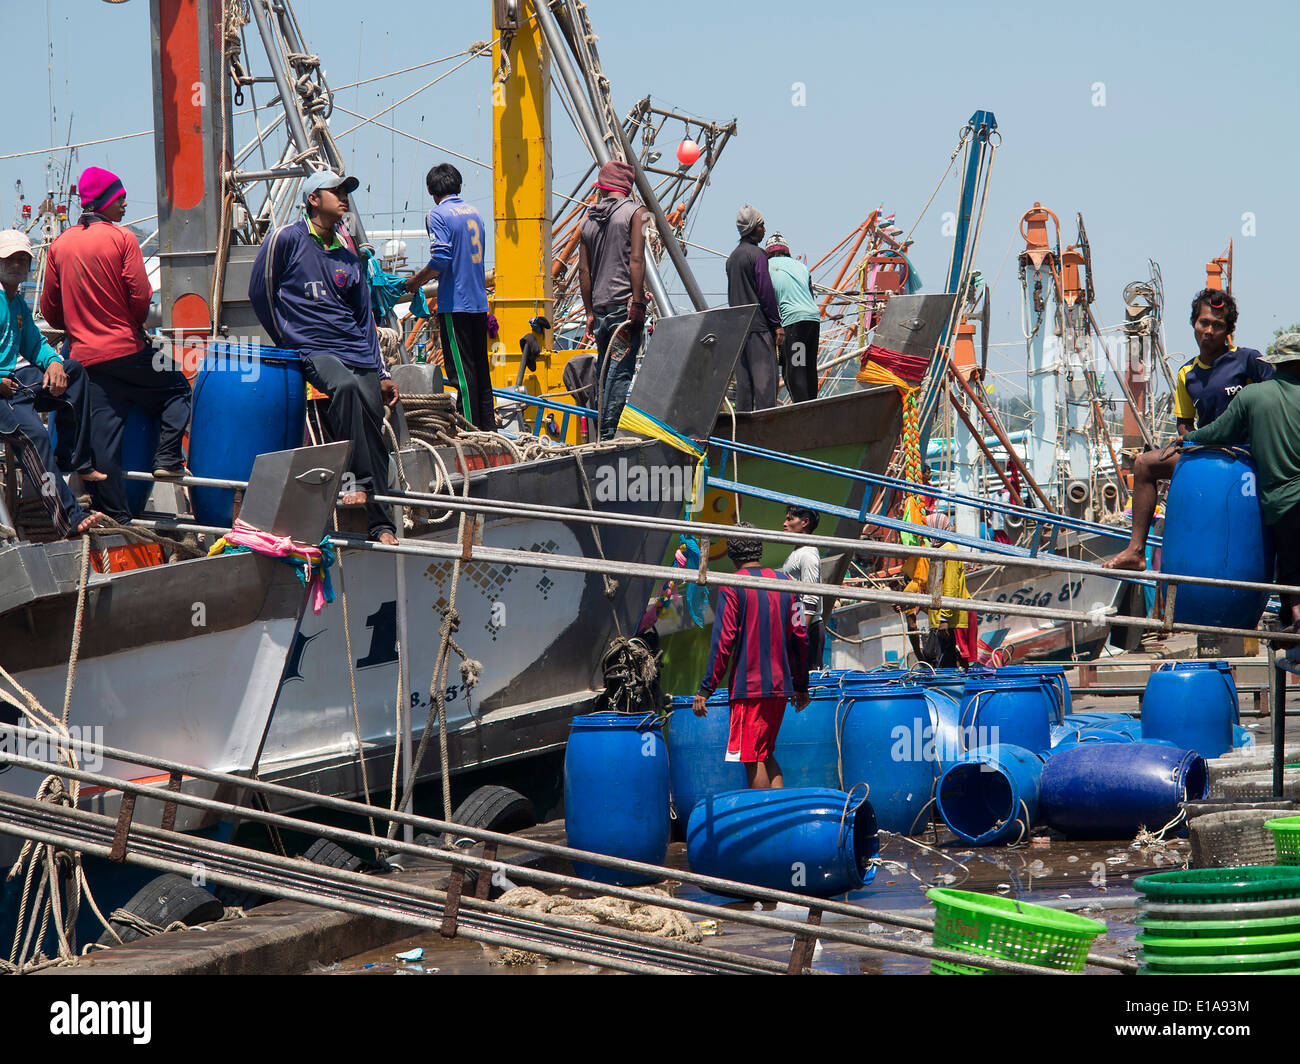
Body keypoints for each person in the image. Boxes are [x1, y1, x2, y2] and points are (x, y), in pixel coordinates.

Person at [249, 168, 399, 545]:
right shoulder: (286, 239)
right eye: (336, 191)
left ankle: (382, 526)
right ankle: (352, 482)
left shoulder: (348, 257)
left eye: (346, 191)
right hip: (312, 347)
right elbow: (260, 292)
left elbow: (364, 319)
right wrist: (286, 338)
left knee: (373, 421)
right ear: (313, 199)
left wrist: (381, 372)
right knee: (345, 388)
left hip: (355, 349)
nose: (344, 197)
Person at [40, 166, 192, 524]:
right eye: (120, 198)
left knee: (103, 442)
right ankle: (168, 461)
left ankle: (117, 517)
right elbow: (140, 298)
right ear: (106, 200)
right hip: (127, 351)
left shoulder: (60, 245)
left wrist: (77, 324)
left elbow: (49, 309)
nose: (125, 204)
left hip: (84, 360)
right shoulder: (121, 239)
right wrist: (124, 322)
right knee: (177, 389)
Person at [1105, 289, 1272, 571]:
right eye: (1203, 322)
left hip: (1245, 456)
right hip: (1205, 454)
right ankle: (1135, 551)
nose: (1209, 331)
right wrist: (1186, 437)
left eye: (1218, 326)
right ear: (1194, 323)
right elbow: (1185, 422)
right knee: (1145, 464)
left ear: (1228, 330)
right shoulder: (1187, 373)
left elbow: (1279, 393)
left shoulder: (1247, 361)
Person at [1180, 333, 1300, 652]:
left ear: (1279, 364)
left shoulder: (1252, 395)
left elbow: (1219, 431)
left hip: (1284, 501)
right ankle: (1291, 626)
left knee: (1289, 565)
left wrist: (1187, 438)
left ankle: (1295, 625)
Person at [0, 230, 102, 537]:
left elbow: (35, 345)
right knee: (36, 437)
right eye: (10, 259)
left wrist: (54, 363)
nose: (17, 265)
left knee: (73, 372)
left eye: (23, 260)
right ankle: (69, 519)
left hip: (15, 385)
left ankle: (73, 459)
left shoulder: (15, 303)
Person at [693, 522, 810, 789]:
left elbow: (723, 642)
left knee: (752, 756)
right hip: (781, 688)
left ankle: (766, 824)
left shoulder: (733, 586)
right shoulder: (787, 583)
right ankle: (779, 819)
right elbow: (801, 636)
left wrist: (706, 688)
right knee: (766, 754)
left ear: (732, 553)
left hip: (750, 689)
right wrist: (801, 684)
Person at [405, 163, 494, 431]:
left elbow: (441, 258)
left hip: (455, 303)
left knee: (461, 375)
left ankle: (469, 431)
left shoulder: (438, 214)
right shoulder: (474, 213)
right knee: (480, 371)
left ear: (430, 190)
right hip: (478, 302)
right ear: (459, 185)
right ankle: (489, 428)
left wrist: (416, 281)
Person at [577, 160, 648, 440]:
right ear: (627, 187)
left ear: (602, 188)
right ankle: (608, 438)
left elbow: (584, 271)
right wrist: (639, 301)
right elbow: (637, 259)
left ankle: (600, 435)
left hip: (601, 310)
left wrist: (590, 312)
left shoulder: (587, 222)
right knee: (619, 373)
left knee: (604, 375)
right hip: (624, 310)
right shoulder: (637, 213)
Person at [897, 513, 976, 668]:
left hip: (951, 620)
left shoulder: (949, 552)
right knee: (943, 661)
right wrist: (904, 601)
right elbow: (927, 585)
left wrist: (944, 620)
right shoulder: (936, 551)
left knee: (950, 664)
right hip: (942, 618)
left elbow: (950, 588)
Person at [725, 206, 783, 411]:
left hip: (739, 329)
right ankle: (766, 432)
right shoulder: (758, 254)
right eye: (761, 225)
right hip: (758, 327)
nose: (764, 230)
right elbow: (765, 291)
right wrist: (776, 325)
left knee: (744, 386)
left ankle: (741, 434)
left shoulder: (732, 258)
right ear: (752, 228)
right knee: (765, 384)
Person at [764, 233, 820, 402]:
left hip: (794, 322)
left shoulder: (766, 267)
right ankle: (814, 403)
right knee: (809, 365)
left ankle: (802, 407)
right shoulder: (801, 266)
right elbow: (809, 292)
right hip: (813, 320)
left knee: (796, 367)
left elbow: (766, 298)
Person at [781, 504, 825, 669]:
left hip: (808, 630)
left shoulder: (807, 553)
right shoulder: (798, 552)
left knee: (808, 686)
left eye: (789, 519)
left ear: (805, 522)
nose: (784, 523)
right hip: (798, 626)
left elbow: (812, 596)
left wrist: (801, 634)